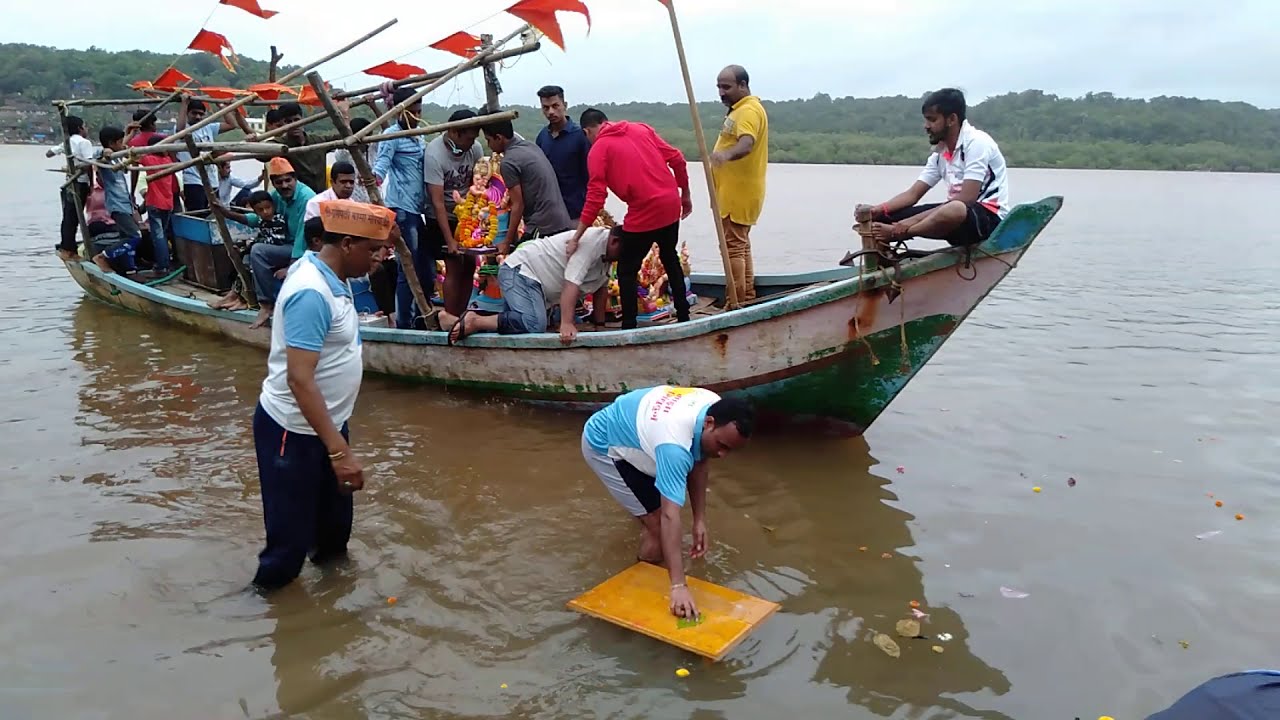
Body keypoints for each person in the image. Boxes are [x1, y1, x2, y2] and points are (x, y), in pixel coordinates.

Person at [250, 198, 396, 591]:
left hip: (328, 426)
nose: (378, 258)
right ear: (346, 245)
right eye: (373, 250)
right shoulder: (312, 293)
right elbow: (299, 379)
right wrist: (339, 452)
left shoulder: (334, 273)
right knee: (288, 547)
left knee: (334, 534)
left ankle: (335, 605)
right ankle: (264, 606)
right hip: (292, 431)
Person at [581, 386, 755, 619]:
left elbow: (700, 459)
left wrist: (699, 520)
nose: (723, 455)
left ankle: (643, 522)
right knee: (657, 527)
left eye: (730, 450)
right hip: (606, 445)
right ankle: (641, 587)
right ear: (709, 423)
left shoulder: (712, 405)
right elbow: (669, 515)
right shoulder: (674, 447)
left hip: (641, 430)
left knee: (656, 512)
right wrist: (678, 585)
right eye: (721, 446)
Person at [569, 108, 693, 328]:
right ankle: (684, 316)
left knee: (626, 270)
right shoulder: (641, 129)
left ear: (587, 131)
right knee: (670, 257)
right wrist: (685, 194)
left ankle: (628, 326)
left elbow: (595, 198)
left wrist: (577, 236)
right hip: (670, 202)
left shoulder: (598, 149)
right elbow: (677, 159)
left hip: (644, 211)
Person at [853, 88, 1010, 251]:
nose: (926, 126)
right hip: (955, 216)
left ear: (952, 119)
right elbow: (913, 194)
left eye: (932, 120)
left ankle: (899, 233)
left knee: (954, 208)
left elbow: (967, 199)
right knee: (881, 220)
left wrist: (907, 224)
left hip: (987, 220)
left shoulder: (977, 143)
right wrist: (878, 209)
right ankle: (884, 262)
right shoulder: (940, 154)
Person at [440, 224, 622, 344]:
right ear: (614, 242)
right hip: (520, 271)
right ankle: (475, 321)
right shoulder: (591, 241)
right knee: (534, 324)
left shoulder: (608, 256)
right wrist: (566, 323)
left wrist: (600, 326)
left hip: (538, 288)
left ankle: (453, 322)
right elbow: (571, 283)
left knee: (525, 323)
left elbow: (601, 288)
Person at [214, 157, 317, 328]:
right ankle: (237, 295)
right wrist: (227, 213)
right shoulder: (277, 196)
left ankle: (267, 304)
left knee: (258, 250)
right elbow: (261, 218)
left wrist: (291, 267)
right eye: (279, 182)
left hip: (302, 249)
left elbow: (302, 237)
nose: (284, 185)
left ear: (295, 179)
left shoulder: (306, 198)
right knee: (246, 253)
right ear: (273, 184)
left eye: (288, 180)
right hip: (282, 244)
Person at [710, 65, 768, 304]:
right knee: (741, 246)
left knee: (733, 247)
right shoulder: (741, 110)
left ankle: (735, 301)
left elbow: (747, 143)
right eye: (719, 87)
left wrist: (726, 155)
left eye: (727, 87)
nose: (722, 92)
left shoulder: (748, 111)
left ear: (743, 85)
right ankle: (748, 296)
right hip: (734, 192)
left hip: (738, 193)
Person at [373, 89, 428, 329]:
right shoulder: (391, 135)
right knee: (408, 267)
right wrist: (373, 181)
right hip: (402, 208)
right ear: (399, 112)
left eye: (419, 111)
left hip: (418, 209)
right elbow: (380, 167)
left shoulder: (419, 135)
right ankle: (405, 323)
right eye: (411, 112)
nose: (416, 117)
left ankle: (420, 316)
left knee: (425, 268)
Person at [481, 113, 573, 252]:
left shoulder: (509, 162)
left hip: (543, 226)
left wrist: (507, 242)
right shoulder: (530, 146)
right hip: (561, 220)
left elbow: (518, 205)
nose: (489, 145)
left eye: (488, 140)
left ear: (499, 138)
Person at [423, 108, 484, 317]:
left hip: (466, 213)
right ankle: (450, 315)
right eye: (469, 138)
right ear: (455, 133)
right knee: (454, 264)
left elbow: (478, 183)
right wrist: (449, 240)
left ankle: (462, 312)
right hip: (442, 215)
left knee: (470, 263)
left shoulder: (475, 149)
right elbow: (437, 202)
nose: (472, 143)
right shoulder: (434, 154)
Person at [175, 96, 252, 212]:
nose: (198, 117)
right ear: (187, 113)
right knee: (197, 212)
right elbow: (179, 131)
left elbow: (232, 124)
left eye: (201, 114)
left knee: (214, 212)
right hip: (193, 180)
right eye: (194, 113)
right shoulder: (183, 128)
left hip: (212, 180)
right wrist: (184, 103)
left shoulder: (208, 127)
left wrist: (220, 106)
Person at [534, 85, 590, 220]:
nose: (551, 112)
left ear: (564, 105)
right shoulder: (542, 137)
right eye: (546, 108)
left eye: (555, 106)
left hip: (577, 211)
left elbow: (590, 175)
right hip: (550, 211)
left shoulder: (580, 136)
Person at [91, 126, 142, 274]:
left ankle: (129, 268)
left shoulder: (116, 157)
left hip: (125, 204)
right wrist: (105, 151)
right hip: (117, 205)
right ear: (111, 143)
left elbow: (119, 147)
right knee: (135, 236)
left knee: (125, 236)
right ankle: (102, 257)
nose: (122, 144)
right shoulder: (105, 158)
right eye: (119, 142)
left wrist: (129, 133)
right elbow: (99, 154)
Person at [47, 115, 94, 259]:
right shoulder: (84, 143)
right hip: (80, 182)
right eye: (85, 126)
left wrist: (68, 155)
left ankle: (68, 245)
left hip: (70, 183)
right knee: (74, 217)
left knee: (69, 217)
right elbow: (89, 165)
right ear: (80, 128)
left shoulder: (67, 143)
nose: (86, 129)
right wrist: (92, 184)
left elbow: (49, 153)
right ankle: (69, 248)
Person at [276, 101, 343, 194]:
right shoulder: (281, 144)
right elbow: (261, 154)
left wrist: (344, 114)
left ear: (303, 120)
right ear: (282, 124)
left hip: (321, 196)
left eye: (296, 120)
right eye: (288, 122)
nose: (294, 125)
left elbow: (344, 139)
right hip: (298, 198)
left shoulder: (318, 141)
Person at [140, 134, 177, 279]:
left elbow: (133, 156)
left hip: (155, 202)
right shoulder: (168, 160)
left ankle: (162, 266)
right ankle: (165, 263)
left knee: (158, 237)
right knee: (163, 235)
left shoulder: (149, 159)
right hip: (168, 204)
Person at [335, 118, 374, 203]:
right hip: (353, 201)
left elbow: (386, 132)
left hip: (373, 199)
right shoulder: (345, 154)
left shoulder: (372, 148)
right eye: (368, 135)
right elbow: (345, 141)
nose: (369, 140)